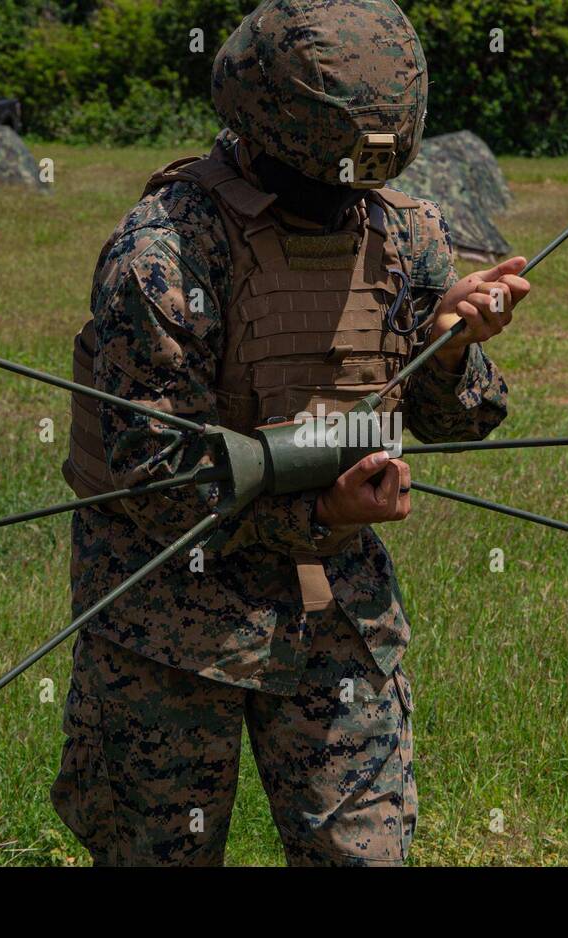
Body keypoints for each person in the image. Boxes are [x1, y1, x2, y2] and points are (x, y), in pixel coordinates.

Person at [51, 0, 530, 866]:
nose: (344, 199)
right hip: (168, 625)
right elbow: (155, 476)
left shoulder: (402, 232)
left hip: (333, 616)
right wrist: (321, 513)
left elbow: (463, 421)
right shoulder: (165, 253)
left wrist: (448, 347)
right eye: (326, 176)